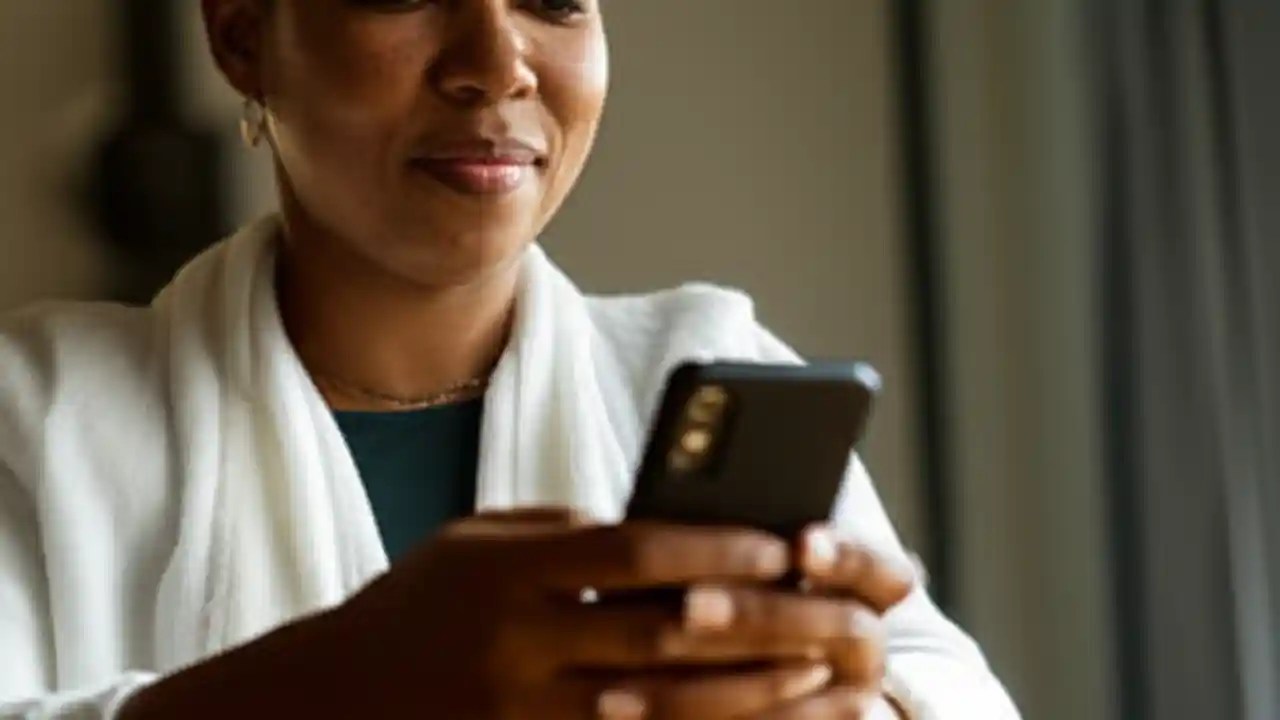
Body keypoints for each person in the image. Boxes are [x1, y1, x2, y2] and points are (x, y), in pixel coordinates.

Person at [0, 1, 1018, 718]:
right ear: (241, 34)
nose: (497, 60)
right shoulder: (39, 414)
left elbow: (950, 692)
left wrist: (852, 701)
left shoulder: (696, 364)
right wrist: (342, 686)